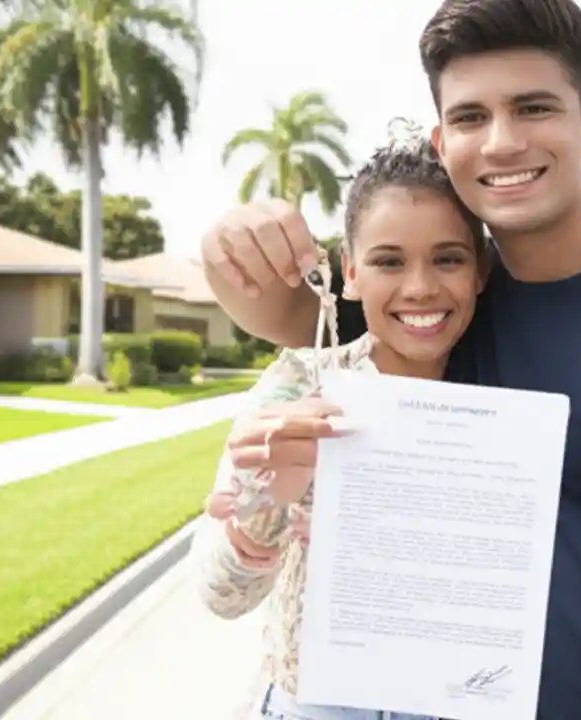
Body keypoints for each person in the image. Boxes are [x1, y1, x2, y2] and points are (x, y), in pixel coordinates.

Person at [199, 1, 581, 717]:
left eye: (534, 108)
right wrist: (228, 238)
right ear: (441, 141)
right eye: (472, 117)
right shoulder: (438, 302)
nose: (503, 141)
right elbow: (277, 309)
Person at [193, 137, 490, 720]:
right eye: (388, 261)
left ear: (480, 271)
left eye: (448, 258)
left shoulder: (504, 401)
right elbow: (221, 595)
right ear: (350, 273)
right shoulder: (300, 388)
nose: (421, 287)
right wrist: (265, 506)